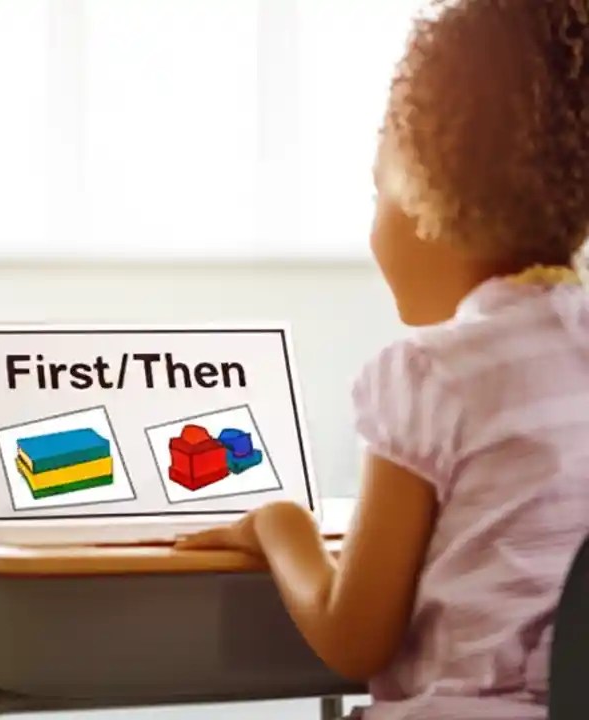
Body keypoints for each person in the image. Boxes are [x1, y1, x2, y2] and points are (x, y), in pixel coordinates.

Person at [174, 1, 589, 718]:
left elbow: (353, 637)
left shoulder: (429, 378)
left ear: (430, 188)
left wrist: (282, 526)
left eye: (377, 193)